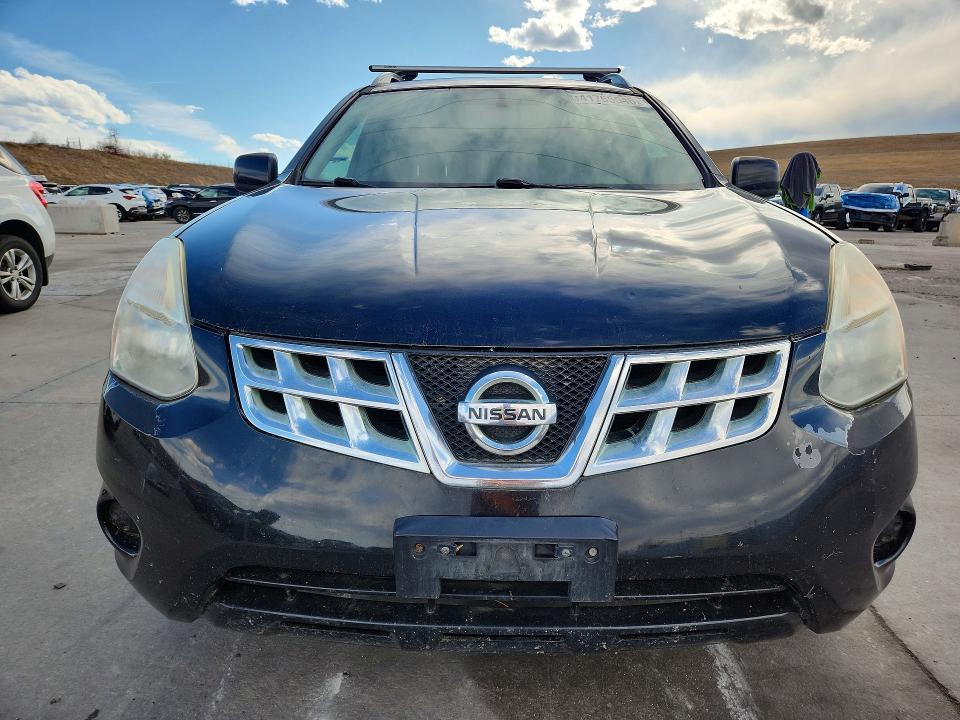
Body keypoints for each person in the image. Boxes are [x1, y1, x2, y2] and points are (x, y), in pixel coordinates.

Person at [779, 152, 821, 217]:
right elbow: (817, 174)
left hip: (791, 211)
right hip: (800, 212)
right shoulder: (809, 178)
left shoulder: (790, 176)